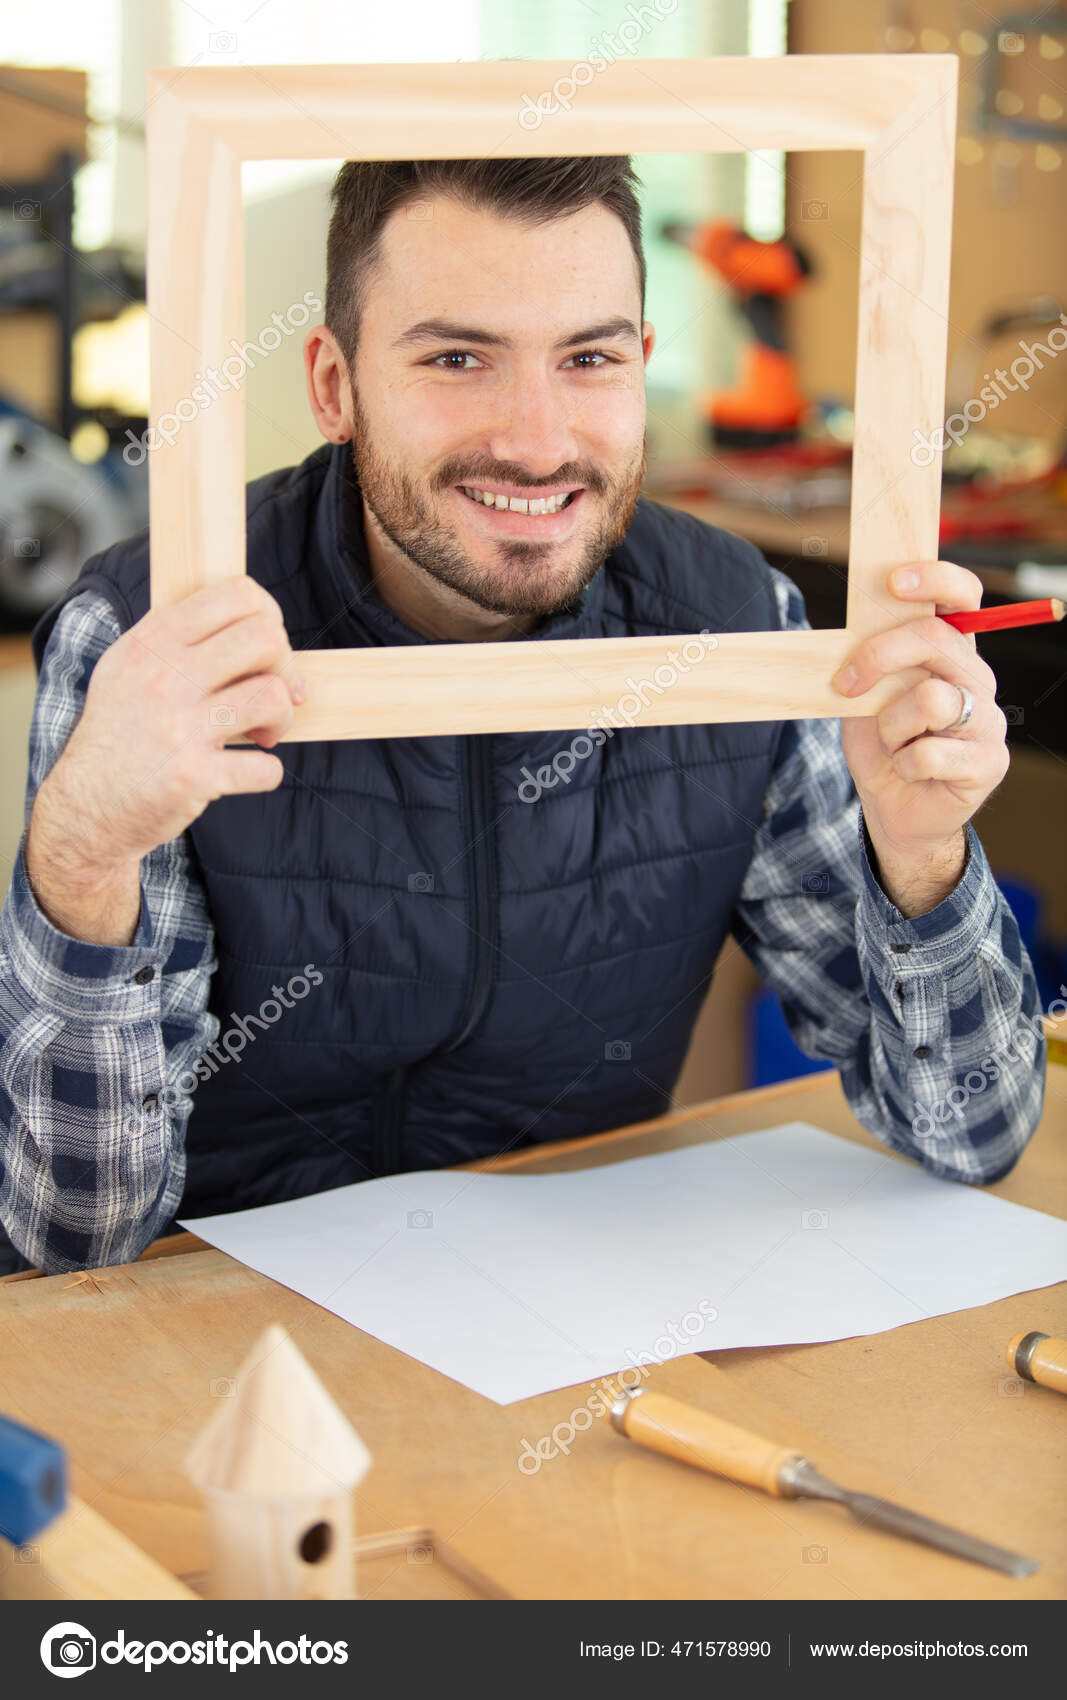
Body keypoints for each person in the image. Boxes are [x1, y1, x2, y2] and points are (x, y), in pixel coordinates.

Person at [0, 156, 1045, 1275]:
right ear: (333, 384)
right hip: (217, 1340)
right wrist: (82, 852)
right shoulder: (146, 642)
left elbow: (964, 1133)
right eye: (457, 358)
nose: (538, 440)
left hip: (576, 1312)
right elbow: (76, 1244)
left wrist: (923, 854)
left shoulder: (739, 630)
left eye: (587, 358)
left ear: (641, 364)